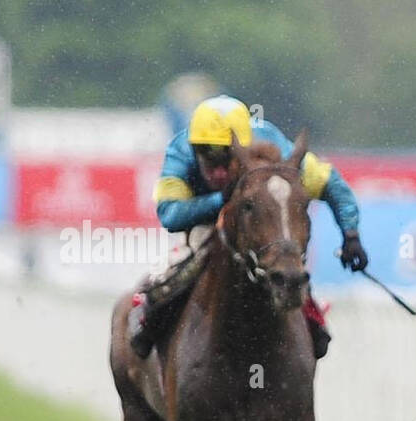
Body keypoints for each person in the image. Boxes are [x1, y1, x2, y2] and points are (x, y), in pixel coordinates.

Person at [127, 94, 367, 359]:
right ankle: (148, 320)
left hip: (258, 222)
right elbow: (170, 215)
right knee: (179, 267)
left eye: (226, 157)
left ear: (244, 147)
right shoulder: (181, 150)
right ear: (194, 147)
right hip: (204, 224)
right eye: (206, 155)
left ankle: (313, 320)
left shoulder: (276, 146)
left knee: (286, 263)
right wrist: (222, 198)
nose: (217, 172)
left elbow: (333, 185)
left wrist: (351, 234)